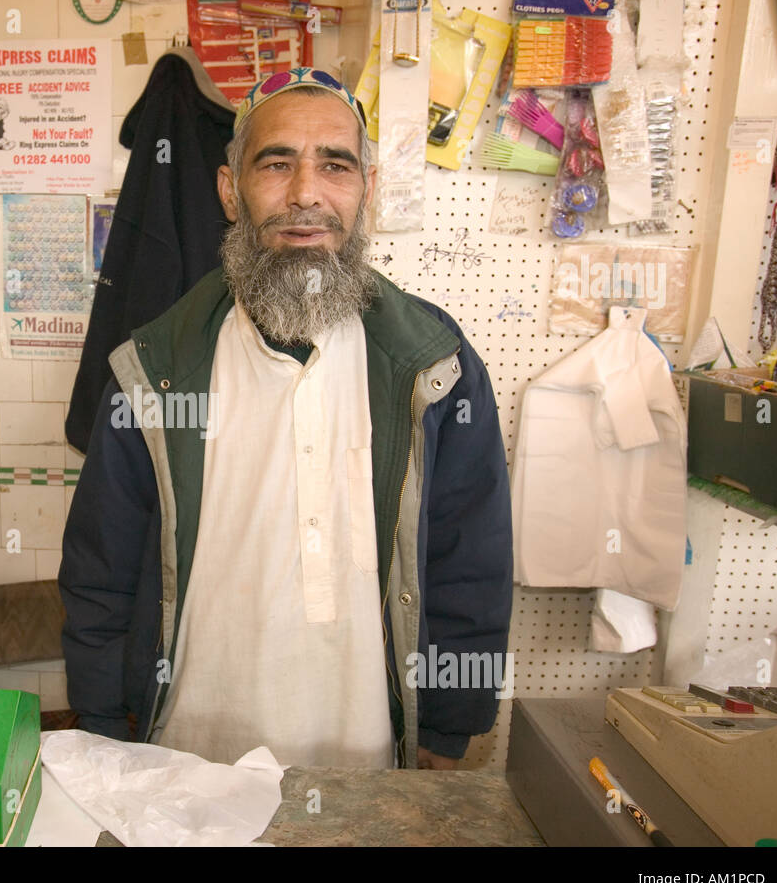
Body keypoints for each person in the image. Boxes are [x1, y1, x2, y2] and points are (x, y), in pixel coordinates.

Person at [59, 68, 513, 770]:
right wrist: (100, 724)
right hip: (187, 766)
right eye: (276, 163)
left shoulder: (437, 369)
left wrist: (448, 735)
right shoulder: (153, 367)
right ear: (229, 191)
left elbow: (470, 568)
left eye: (334, 165)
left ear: (367, 190)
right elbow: (101, 570)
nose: (306, 193)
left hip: (371, 767)